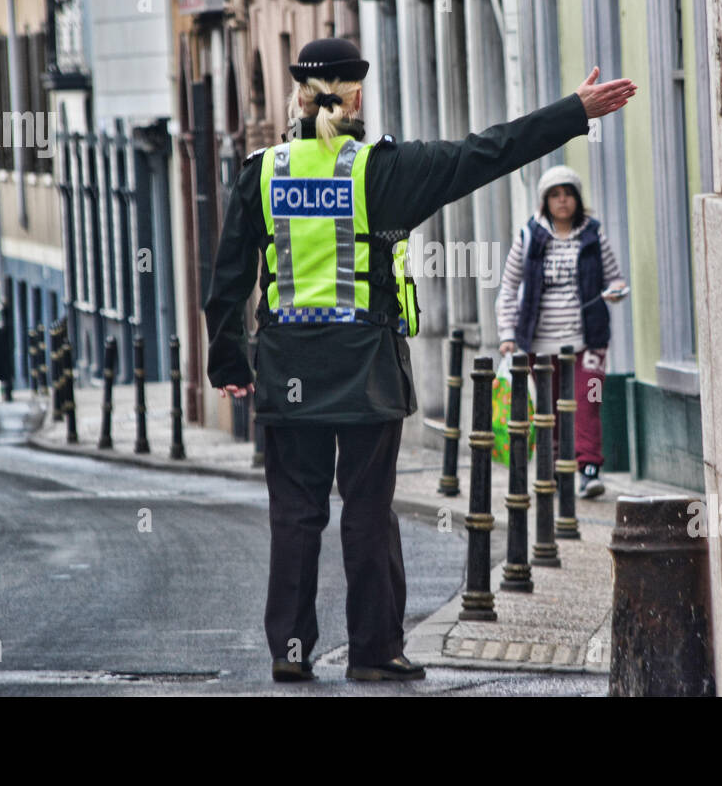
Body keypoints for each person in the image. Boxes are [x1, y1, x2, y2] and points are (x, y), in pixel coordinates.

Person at [203, 37, 636, 683]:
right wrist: (574, 110)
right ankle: (376, 653)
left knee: (295, 516)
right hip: (365, 368)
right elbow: (487, 152)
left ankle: (289, 653)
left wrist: (230, 364)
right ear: (357, 96)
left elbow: (229, 278)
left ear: (298, 96)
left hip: (288, 369)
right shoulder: (386, 170)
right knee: (368, 511)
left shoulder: (261, 170)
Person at [495, 166, 627, 499]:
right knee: (548, 408)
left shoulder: (594, 235)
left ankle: (589, 470)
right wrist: (507, 333)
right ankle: (552, 468)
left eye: (567, 193)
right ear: (545, 201)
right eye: (555, 195)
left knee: (588, 400)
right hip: (539, 345)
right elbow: (509, 288)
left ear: (577, 198)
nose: (562, 200)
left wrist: (615, 291)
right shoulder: (529, 237)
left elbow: (615, 279)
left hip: (589, 341)